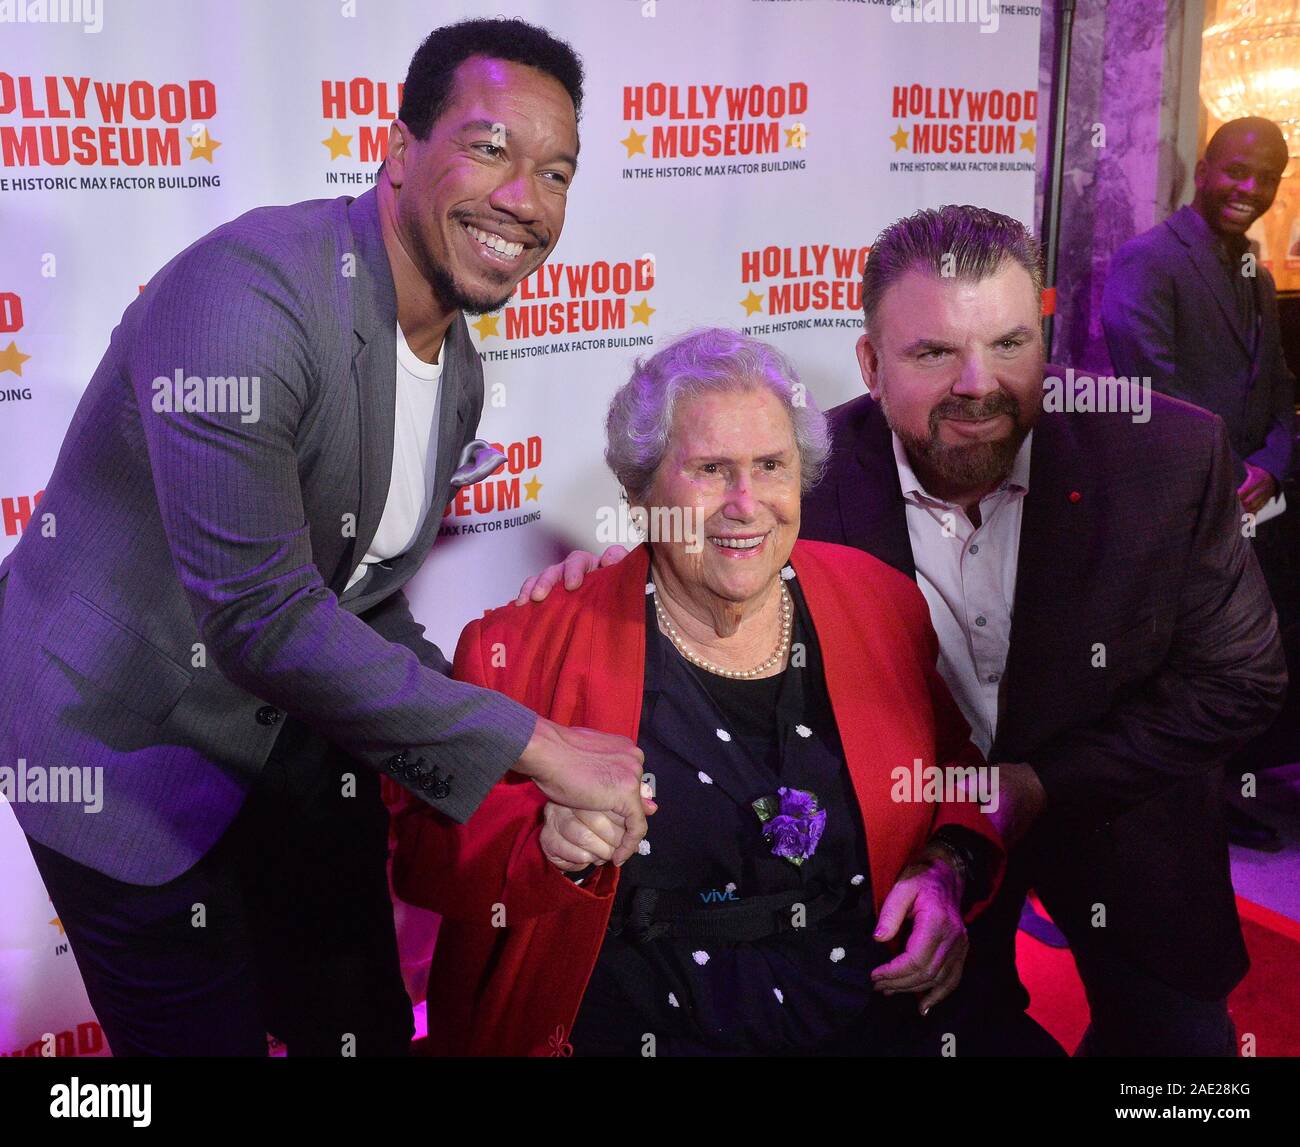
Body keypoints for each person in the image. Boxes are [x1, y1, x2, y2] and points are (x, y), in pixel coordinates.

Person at [0, 18, 649, 1057]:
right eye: (489, 148)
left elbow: (359, 595)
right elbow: (262, 615)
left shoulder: (458, 363)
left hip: (290, 732)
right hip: (121, 745)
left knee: (360, 1025)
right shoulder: (246, 298)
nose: (525, 200)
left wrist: (512, 738)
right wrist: (536, 745)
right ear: (398, 151)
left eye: (556, 170)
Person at [527, 206, 1288, 1056]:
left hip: (1124, 814)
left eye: (1008, 343)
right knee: (968, 1020)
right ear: (872, 365)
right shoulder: (801, 479)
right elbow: (702, 536)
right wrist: (606, 577)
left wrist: (1036, 784)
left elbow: (1241, 678)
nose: (977, 381)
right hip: (918, 848)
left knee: (1182, 1067)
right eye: (933, 352)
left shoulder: (1167, 457)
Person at [393, 328, 1028, 1057]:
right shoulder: (525, 646)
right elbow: (426, 853)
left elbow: (953, 772)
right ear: (641, 492)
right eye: (711, 469)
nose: (746, 502)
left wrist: (945, 868)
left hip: (869, 1021)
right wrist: (545, 844)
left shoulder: (878, 605)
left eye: (770, 465)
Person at [1102, 116, 1297, 851]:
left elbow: (1279, 388)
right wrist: (1227, 465)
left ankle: (1216, 801)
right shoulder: (1147, 259)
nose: (1251, 188)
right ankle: (1177, 816)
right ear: (1205, 167)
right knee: (1181, 667)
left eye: (1268, 176)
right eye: (1237, 170)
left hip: (1252, 504)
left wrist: (1274, 463)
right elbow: (1153, 387)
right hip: (1178, 504)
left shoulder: (1256, 270)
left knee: (1235, 661)